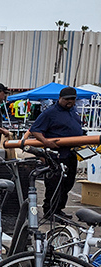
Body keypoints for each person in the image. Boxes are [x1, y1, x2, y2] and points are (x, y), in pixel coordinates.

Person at [28, 86, 84, 219]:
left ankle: (58, 209)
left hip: (71, 153)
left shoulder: (73, 111)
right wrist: (45, 142)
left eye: (73, 99)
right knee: (54, 183)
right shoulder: (50, 112)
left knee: (68, 183)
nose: (70, 102)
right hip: (56, 155)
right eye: (67, 99)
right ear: (60, 98)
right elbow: (35, 129)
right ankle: (50, 211)